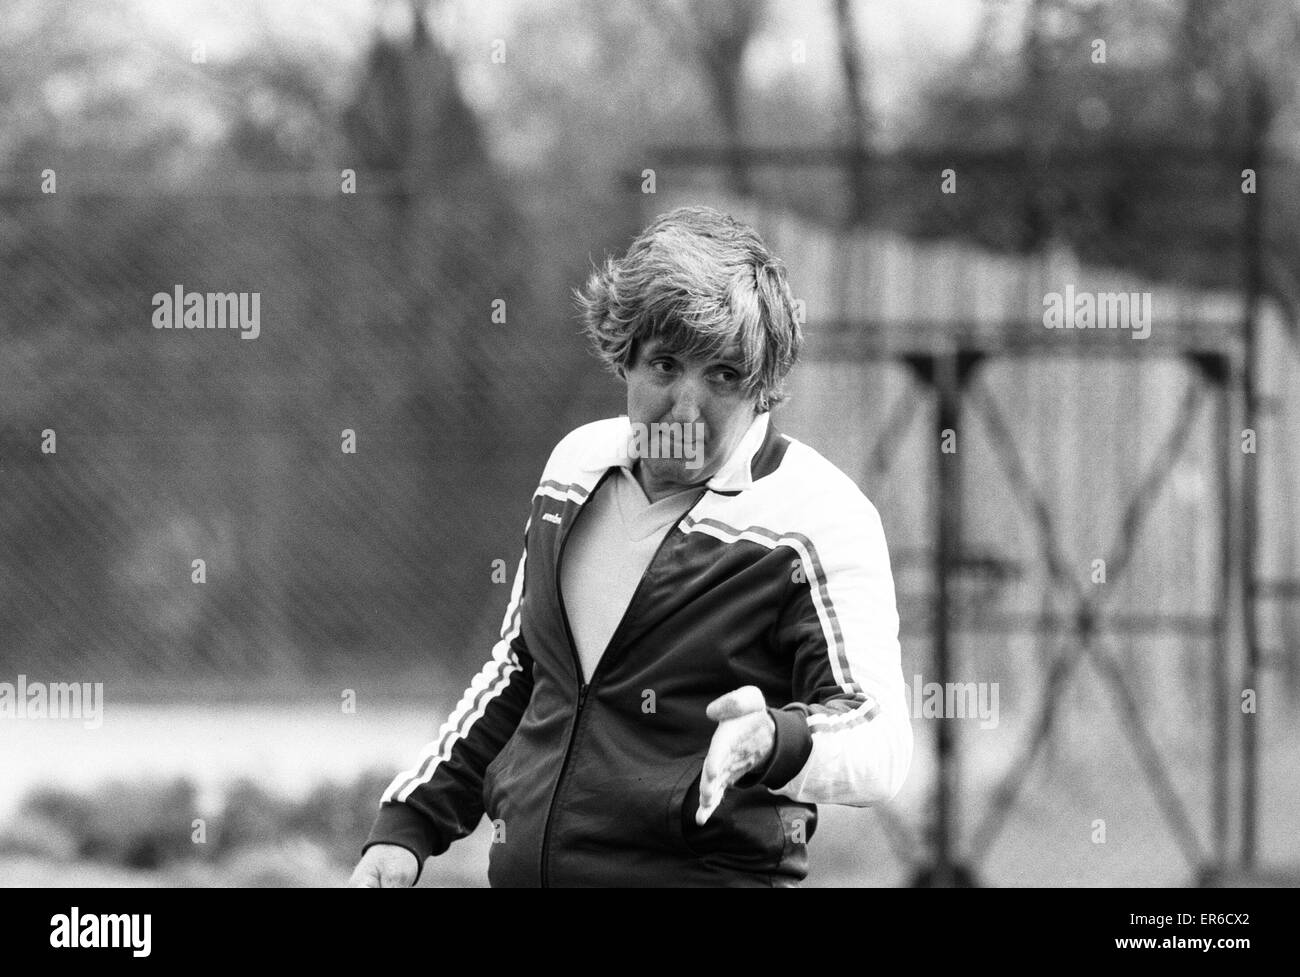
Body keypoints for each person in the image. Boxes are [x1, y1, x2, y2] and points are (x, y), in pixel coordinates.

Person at [349, 205, 912, 888]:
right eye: (666, 364)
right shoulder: (573, 469)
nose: (685, 406)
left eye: (724, 375)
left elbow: (878, 740)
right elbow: (522, 670)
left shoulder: (818, 517)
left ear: (763, 387)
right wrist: (410, 824)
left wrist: (774, 737)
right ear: (624, 356)